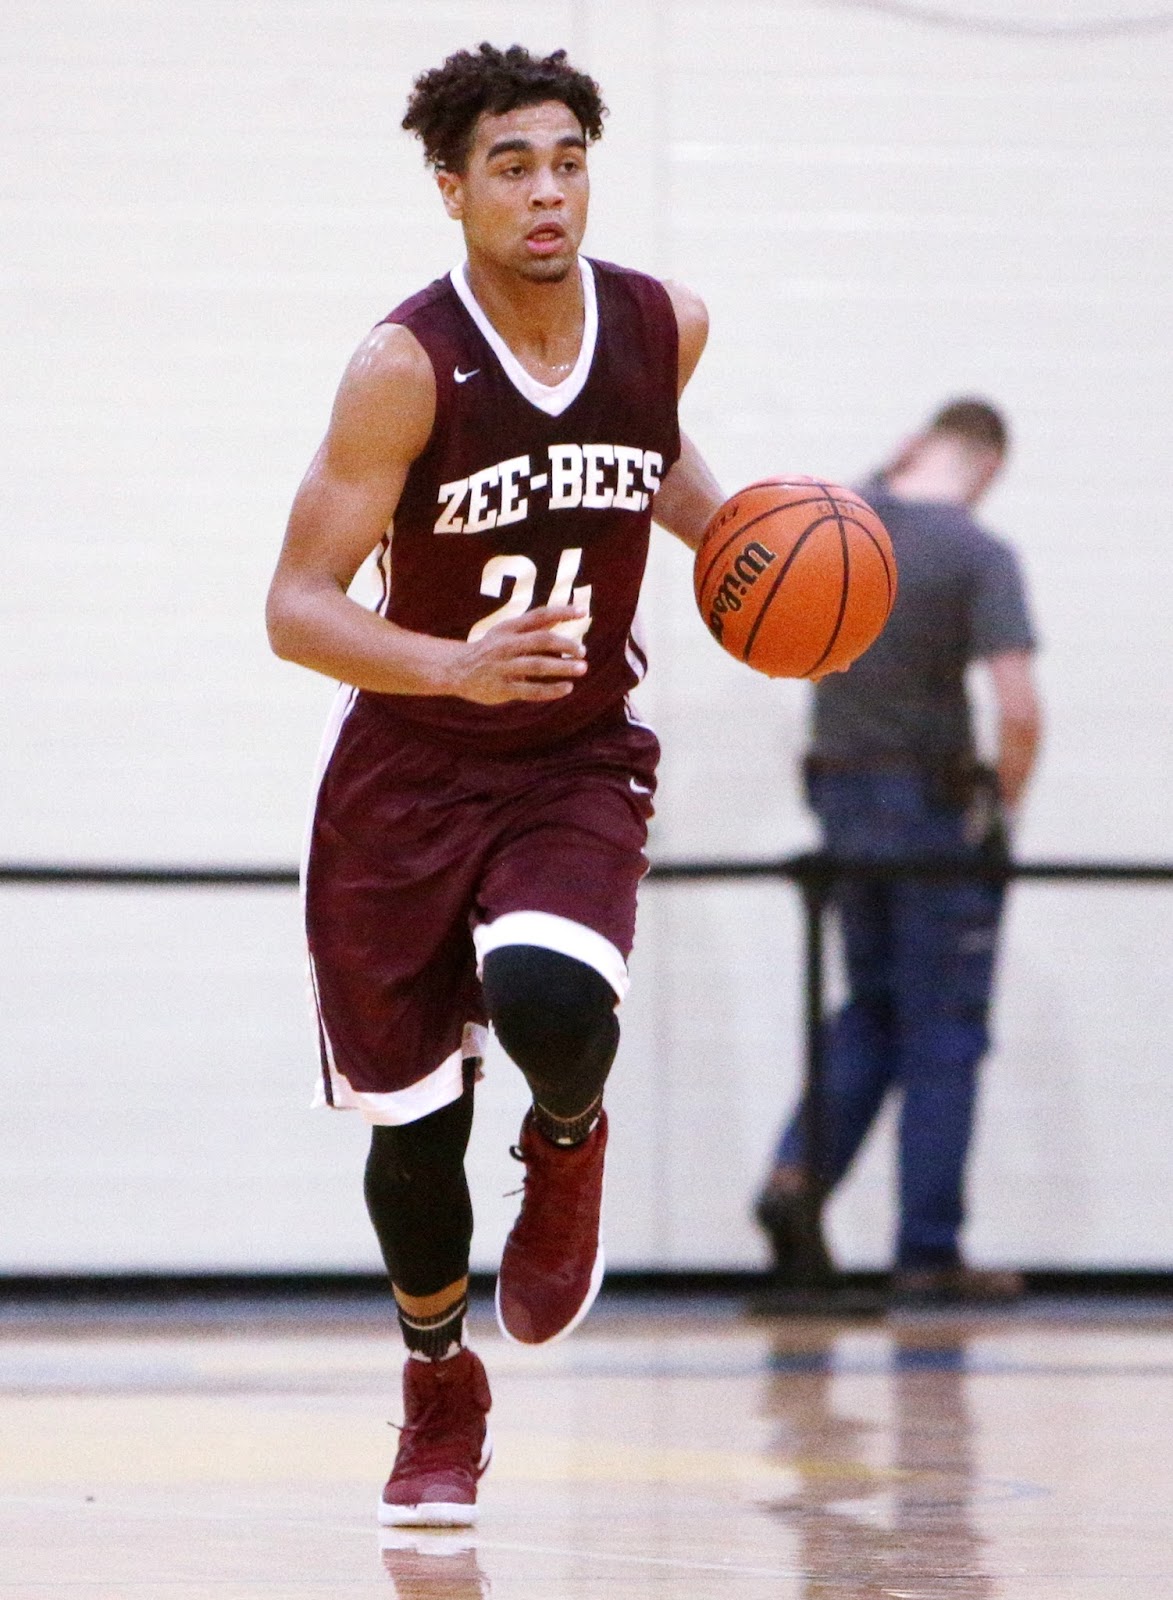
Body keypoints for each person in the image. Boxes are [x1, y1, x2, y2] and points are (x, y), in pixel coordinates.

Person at [265, 43, 724, 1526]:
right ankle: (436, 1381)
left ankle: (570, 1147)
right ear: (452, 188)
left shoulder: (665, 323)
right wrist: (454, 664)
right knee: (413, 1137)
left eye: (567, 160)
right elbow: (295, 605)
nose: (545, 190)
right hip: (409, 770)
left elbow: (651, 465)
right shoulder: (402, 367)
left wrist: (765, 563)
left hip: (575, 759)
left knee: (547, 994)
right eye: (510, 166)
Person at [755, 400, 1042, 1305]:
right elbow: (1019, 706)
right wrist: (999, 810)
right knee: (943, 1031)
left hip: (840, 793)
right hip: (928, 805)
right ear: (985, 468)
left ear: (918, 442)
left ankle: (794, 1177)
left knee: (868, 1009)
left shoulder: (838, 529)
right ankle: (927, 1252)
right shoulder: (976, 554)